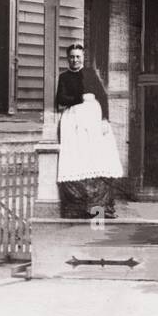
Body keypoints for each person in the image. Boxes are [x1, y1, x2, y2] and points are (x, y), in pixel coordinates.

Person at [54, 43, 122, 219]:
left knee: (97, 157)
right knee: (77, 158)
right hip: (73, 124)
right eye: (72, 57)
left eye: (78, 56)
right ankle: (78, 209)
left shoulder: (90, 74)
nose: (75, 60)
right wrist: (80, 98)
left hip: (93, 121)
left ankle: (99, 210)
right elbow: (61, 99)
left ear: (82, 57)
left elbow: (102, 96)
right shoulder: (64, 77)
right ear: (67, 59)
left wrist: (105, 119)